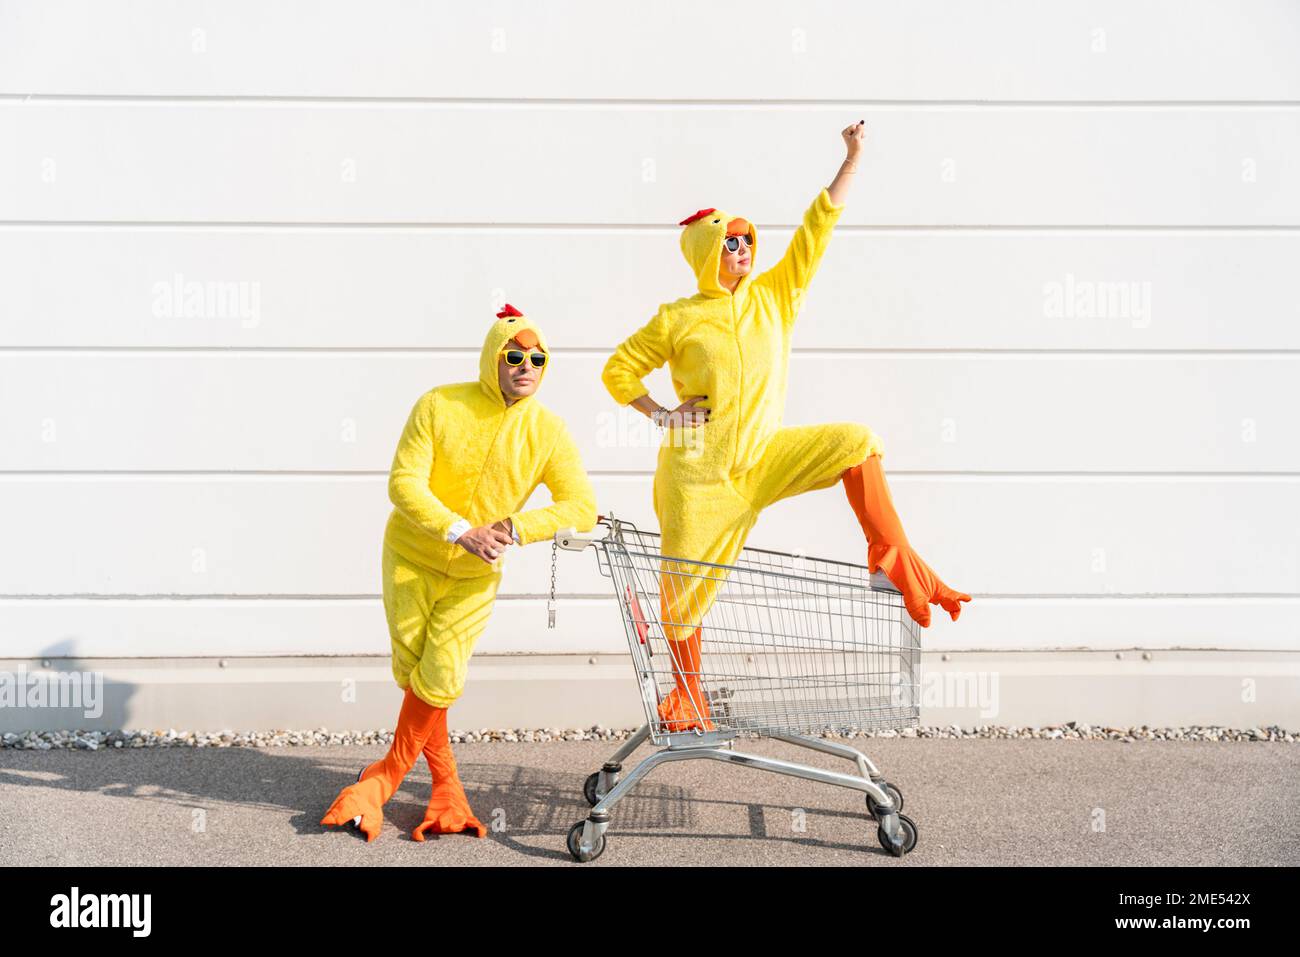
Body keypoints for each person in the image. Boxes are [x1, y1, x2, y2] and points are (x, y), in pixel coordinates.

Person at [600, 121, 971, 733]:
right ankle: (688, 694)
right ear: (705, 254)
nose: (743, 251)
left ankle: (891, 550)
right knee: (683, 594)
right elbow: (618, 371)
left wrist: (851, 158)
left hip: (764, 456)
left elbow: (816, 231)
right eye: (730, 244)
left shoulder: (776, 296)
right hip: (698, 476)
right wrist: (661, 415)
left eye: (747, 240)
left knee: (856, 442)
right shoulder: (678, 318)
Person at [321, 304, 598, 840]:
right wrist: (457, 529)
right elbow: (404, 484)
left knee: (442, 674)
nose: (527, 366)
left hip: (474, 579)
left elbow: (580, 506)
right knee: (413, 672)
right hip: (410, 559)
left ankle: (382, 781)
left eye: (538, 359)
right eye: (515, 356)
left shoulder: (549, 431)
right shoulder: (439, 405)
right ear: (493, 358)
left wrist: (514, 527)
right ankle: (446, 788)